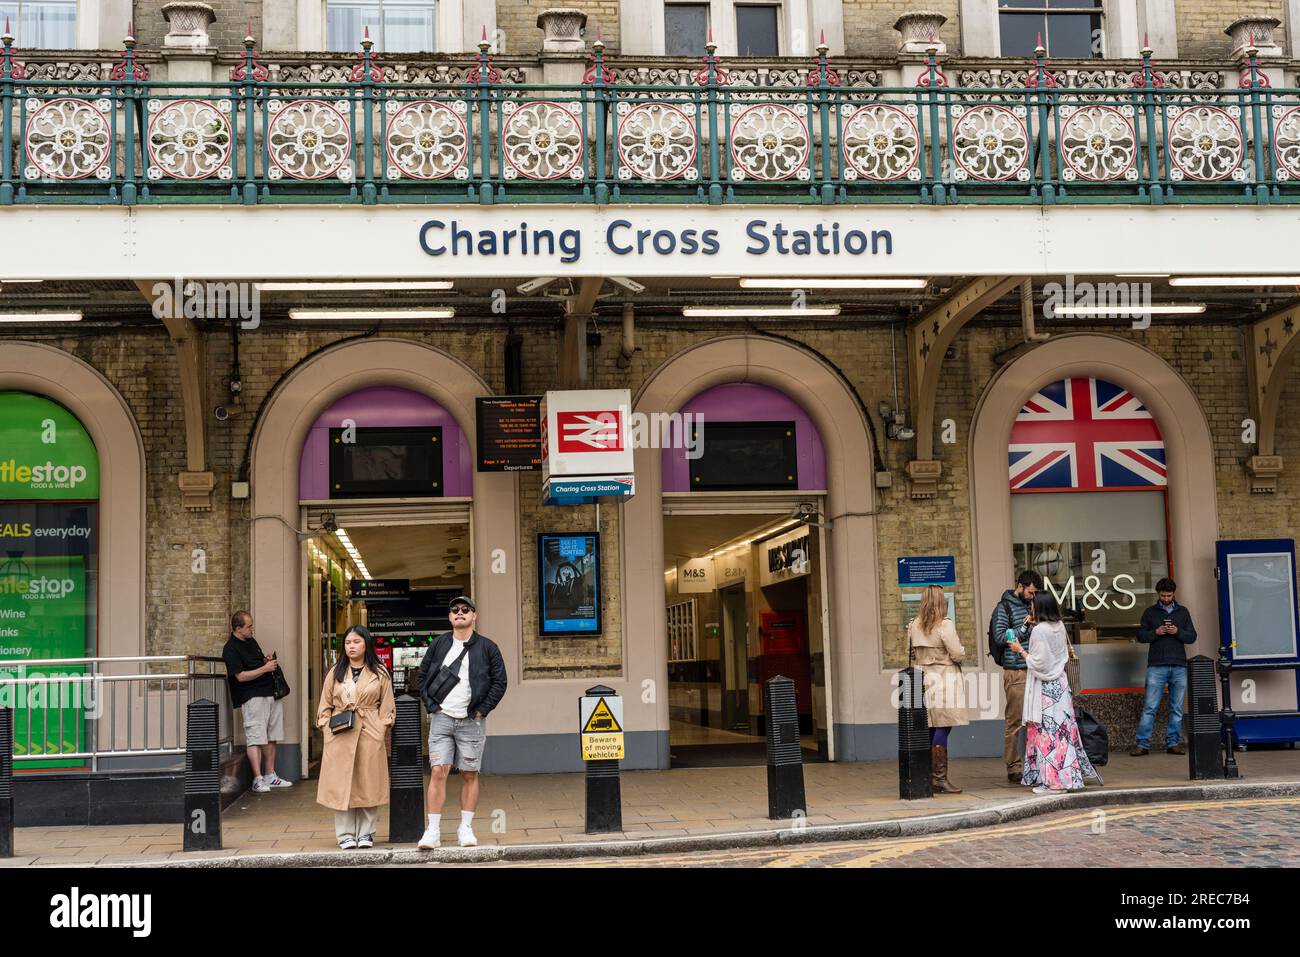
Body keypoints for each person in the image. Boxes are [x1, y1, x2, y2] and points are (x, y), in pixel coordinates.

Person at [415, 596, 508, 850]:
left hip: (471, 720)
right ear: (449, 617)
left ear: (474, 616)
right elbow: (422, 677)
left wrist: (482, 710)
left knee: (469, 773)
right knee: (438, 771)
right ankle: (432, 830)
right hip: (442, 718)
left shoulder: (488, 647)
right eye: (455, 610)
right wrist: (432, 706)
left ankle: (465, 828)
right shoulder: (439, 644)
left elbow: (500, 681)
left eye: (465, 610)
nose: (459, 613)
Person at [1009, 591, 1102, 793]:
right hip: (1060, 685)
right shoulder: (1059, 626)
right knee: (1062, 734)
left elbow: (1039, 663)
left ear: (1040, 607)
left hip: (1045, 690)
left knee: (1047, 735)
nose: (1031, 607)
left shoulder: (1039, 631)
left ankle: (1053, 782)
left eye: (1033, 604)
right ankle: (1067, 778)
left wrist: (1020, 650)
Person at [316, 625, 396, 849]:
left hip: (370, 730)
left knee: (368, 781)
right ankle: (345, 835)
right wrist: (326, 728)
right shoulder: (336, 672)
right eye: (348, 642)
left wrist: (381, 729)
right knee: (342, 783)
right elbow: (325, 705)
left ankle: (366, 833)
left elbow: (387, 705)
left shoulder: (380, 672)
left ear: (366, 644)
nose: (351, 646)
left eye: (357, 642)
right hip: (341, 731)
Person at [906, 585, 968, 794]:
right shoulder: (945, 625)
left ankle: (929, 776)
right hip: (944, 678)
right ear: (941, 602)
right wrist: (961, 651)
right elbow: (957, 654)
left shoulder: (913, 625)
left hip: (923, 678)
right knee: (943, 725)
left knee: (931, 725)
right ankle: (939, 778)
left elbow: (911, 653)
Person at [222, 611, 293, 793]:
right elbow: (241, 676)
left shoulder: (251, 642)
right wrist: (265, 668)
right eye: (249, 626)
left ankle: (270, 775)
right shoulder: (230, 649)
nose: (252, 629)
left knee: (271, 735)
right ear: (238, 629)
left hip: (270, 693)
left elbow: (255, 666)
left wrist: (265, 661)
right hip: (252, 696)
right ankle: (257, 779)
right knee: (255, 737)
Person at [1131, 578, 1198, 756]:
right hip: (1157, 665)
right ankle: (1143, 744)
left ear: (1174, 594)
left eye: (1169, 595)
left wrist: (1178, 632)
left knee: (1176, 707)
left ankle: (1173, 743)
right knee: (1150, 707)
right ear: (1158, 594)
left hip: (1178, 665)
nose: (1166, 598)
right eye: (1163, 595)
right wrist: (1156, 632)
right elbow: (1141, 636)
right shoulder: (1150, 612)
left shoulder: (1183, 612)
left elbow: (1192, 637)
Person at [989, 570, 1042, 782]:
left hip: (1035, 669)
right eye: (1030, 592)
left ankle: (1036, 763)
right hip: (1016, 671)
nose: (1032, 596)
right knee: (1015, 721)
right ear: (1020, 586)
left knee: (1037, 721)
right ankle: (1013, 767)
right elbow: (1001, 636)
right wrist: (1025, 626)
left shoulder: (1034, 605)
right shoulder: (1004, 607)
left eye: (1035, 593)